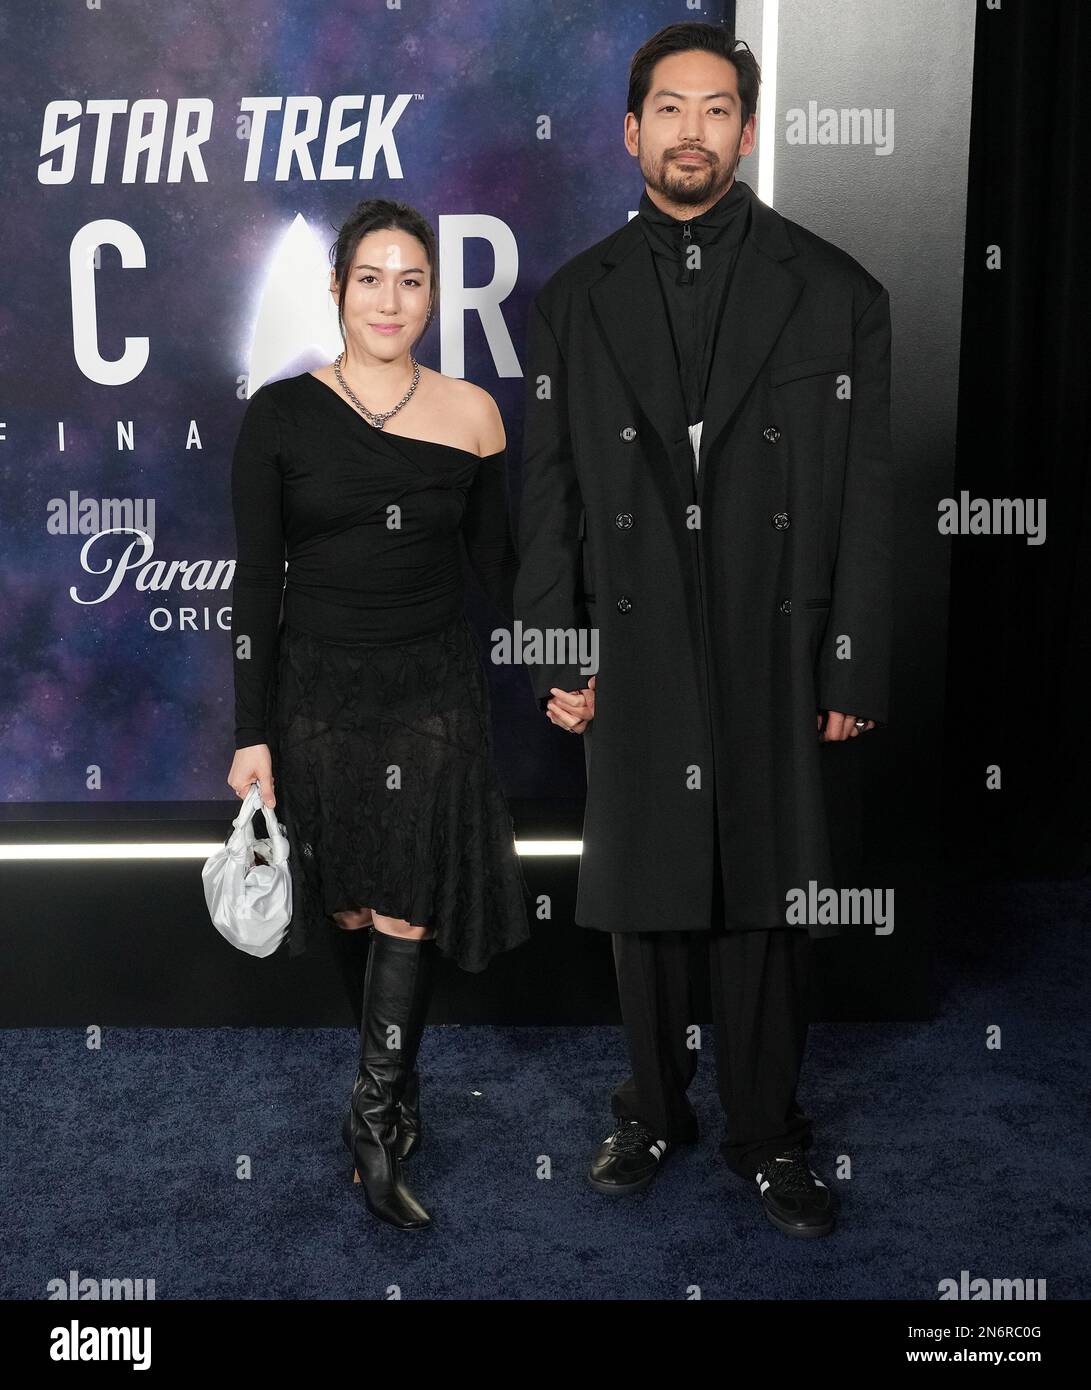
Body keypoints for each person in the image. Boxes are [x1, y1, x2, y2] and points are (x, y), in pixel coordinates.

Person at [514, 23, 893, 1238]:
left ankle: (766, 1131)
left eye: (715, 108)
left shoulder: (835, 293)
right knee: (641, 889)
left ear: (745, 127)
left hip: (773, 631)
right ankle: (651, 1108)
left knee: (766, 891)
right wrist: (549, 650)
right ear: (630, 133)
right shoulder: (572, 302)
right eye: (667, 109)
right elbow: (549, 495)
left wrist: (850, 657)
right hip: (630, 637)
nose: (691, 130)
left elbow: (867, 501)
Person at [226, 198, 532, 1231]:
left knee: (410, 900)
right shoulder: (277, 413)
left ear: (433, 294)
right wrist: (250, 729)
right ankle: (395, 1089)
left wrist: (559, 659)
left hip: (431, 689)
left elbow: (500, 567)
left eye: (410, 279)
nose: (389, 298)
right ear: (337, 289)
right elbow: (254, 580)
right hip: (317, 690)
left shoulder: (474, 413)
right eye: (370, 278)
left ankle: (372, 1117)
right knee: (352, 906)